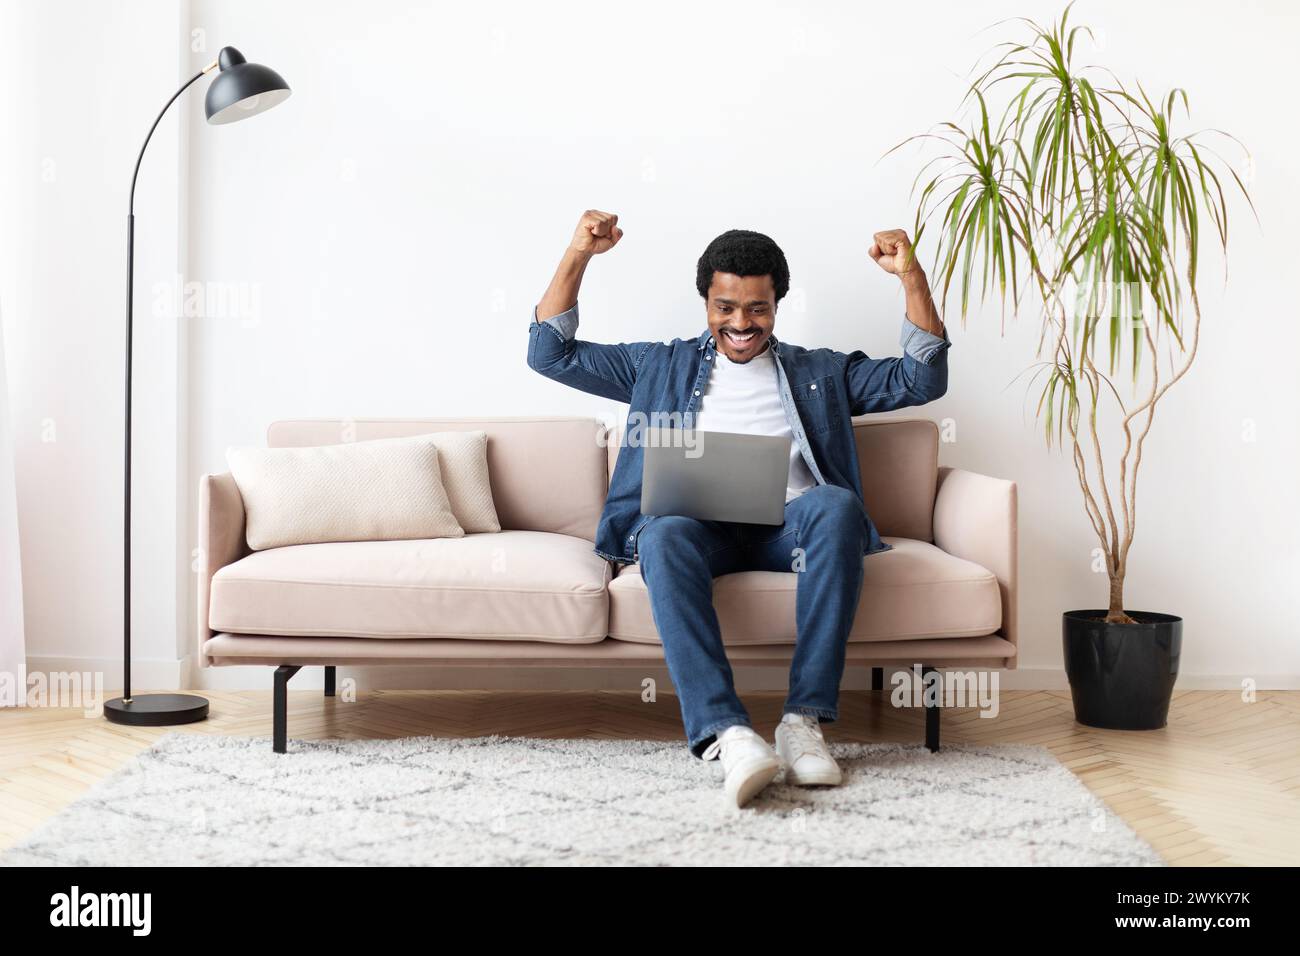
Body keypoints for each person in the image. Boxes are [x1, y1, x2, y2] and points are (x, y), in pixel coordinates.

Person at [528, 210, 949, 806]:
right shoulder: (658, 364)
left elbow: (921, 379)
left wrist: (912, 279)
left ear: (778, 305)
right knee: (662, 534)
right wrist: (578, 254)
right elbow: (549, 354)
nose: (741, 323)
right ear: (706, 303)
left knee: (834, 505)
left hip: (791, 529)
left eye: (757, 308)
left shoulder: (819, 371)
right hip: (699, 530)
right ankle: (728, 733)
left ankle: (802, 723)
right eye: (726, 307)